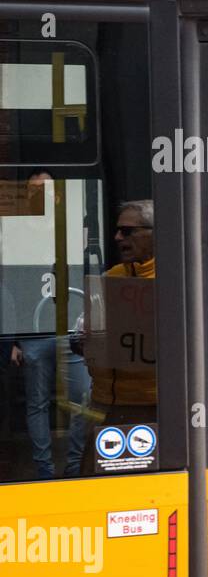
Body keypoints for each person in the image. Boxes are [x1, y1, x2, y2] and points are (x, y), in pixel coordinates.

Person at [7, 171, 90, 479]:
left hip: (72, 330)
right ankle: (44, 470)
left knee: (83, 399)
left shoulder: (71, 228)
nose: (38, 195)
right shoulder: (15, 233)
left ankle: (73, 467)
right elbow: (11, 285)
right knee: (37, 403)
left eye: (45, 190)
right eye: (32, 190)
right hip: (32, 331)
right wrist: (13, 338)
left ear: (57, 195)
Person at [78, 200, 158, 473]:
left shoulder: (183, 279)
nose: (117, 238)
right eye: (117, 231)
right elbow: (92, 332)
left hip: (150, 406)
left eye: (127, 231)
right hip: (105, 404)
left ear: (155, 233)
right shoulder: (110, 278)